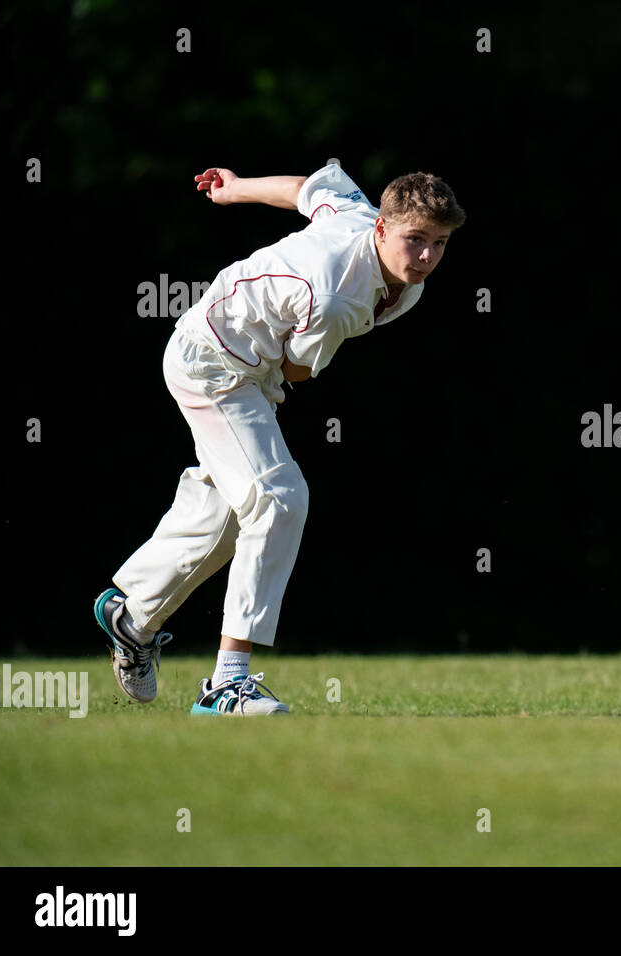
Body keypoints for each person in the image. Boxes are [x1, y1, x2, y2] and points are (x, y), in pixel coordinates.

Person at [93, 162, 466, 715]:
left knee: (227, 520)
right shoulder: (335, 294)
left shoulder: (357, 213)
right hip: (213, 363)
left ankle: (133, 615)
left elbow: (302, 191)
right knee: (279, 499)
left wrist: (235, 189)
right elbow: (296, 370)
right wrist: (270, 374)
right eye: (416, 241)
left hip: (248, 368)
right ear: (382, 230)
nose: (427, 258)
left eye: (438, 244)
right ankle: (226, 684)